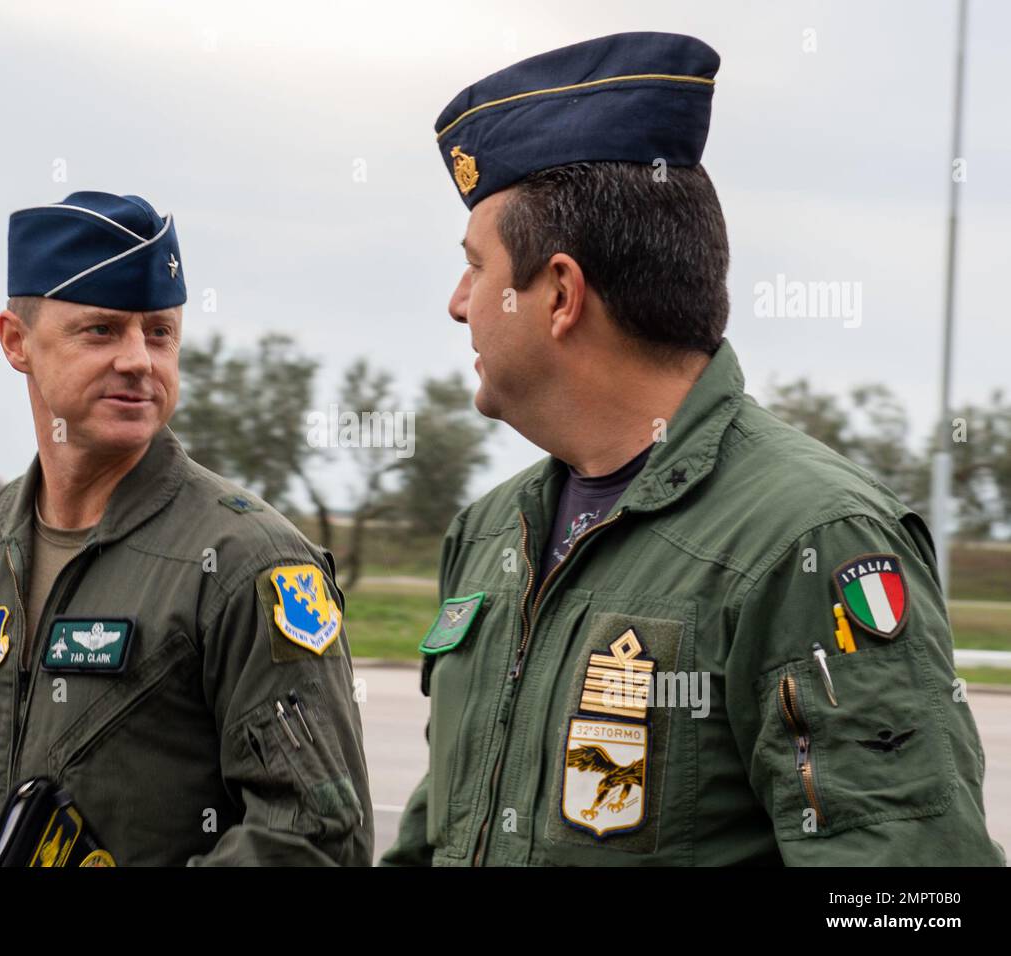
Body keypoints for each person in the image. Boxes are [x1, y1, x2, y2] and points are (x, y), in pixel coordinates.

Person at [382, 33, 1004, 866]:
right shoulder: (491, 536)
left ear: (561, 293)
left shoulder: (813, 543)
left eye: (475, 265)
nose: (459, 304)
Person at [0, 191, 373, 866]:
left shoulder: (250, 565)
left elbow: (311, 835)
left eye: (159, 333)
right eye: (101, 330)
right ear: (16, 342)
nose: (139, 360)